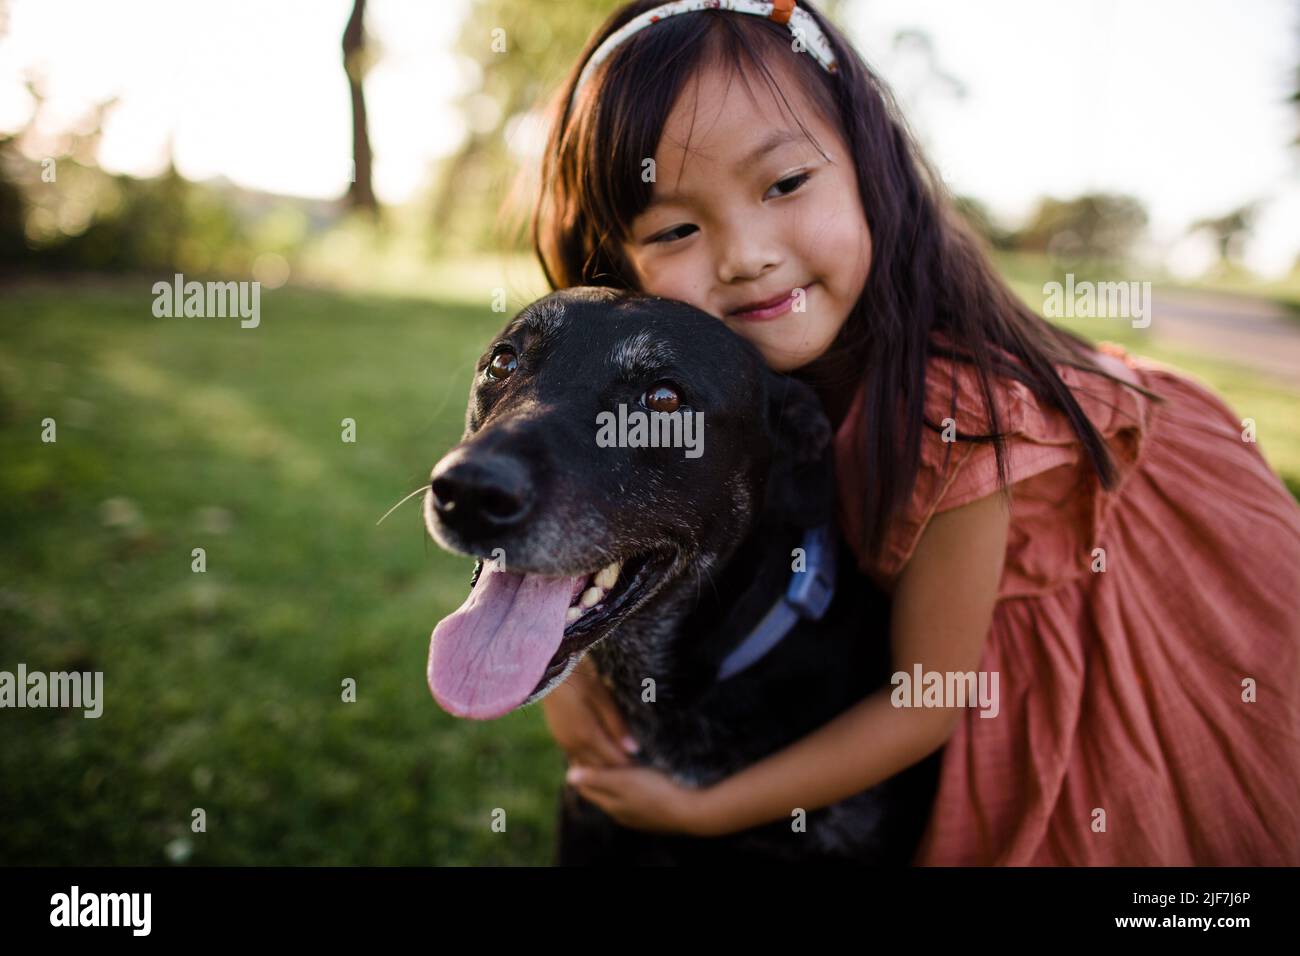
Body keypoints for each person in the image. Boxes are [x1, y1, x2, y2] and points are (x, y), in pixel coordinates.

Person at [528, 0, 1300, 864]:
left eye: (784, 184)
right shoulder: (695, 377)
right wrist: (558, 669)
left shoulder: (959, 422)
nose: (744, 254)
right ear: (616, 261)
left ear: (870, 165)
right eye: (676, 228)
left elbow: (928, 698)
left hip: (1113, 596)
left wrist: (705, 812)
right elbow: (567, 503)